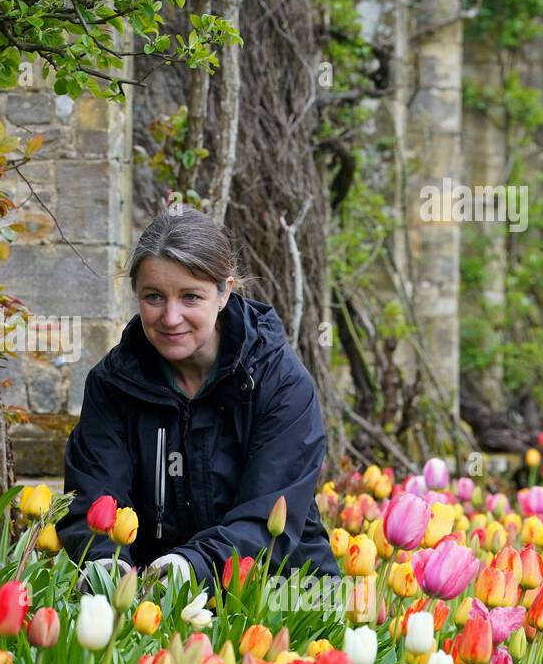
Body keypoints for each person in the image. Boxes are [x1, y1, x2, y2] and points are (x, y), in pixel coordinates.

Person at [57, 207, 340, 587]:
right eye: (154, 297)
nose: (170, 317)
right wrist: (106, 565)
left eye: (191, 297)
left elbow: (268, 517)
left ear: (224, 292)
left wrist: (192, 567)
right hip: (151, 594)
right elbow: (94, 496)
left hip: (278, 593)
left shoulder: (279, 382)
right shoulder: (112, 385)